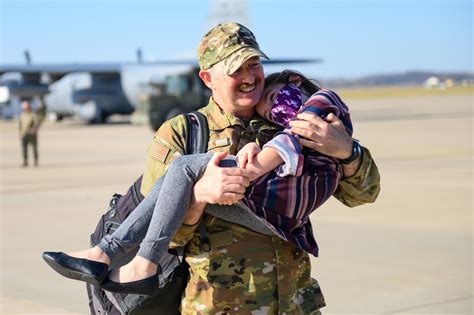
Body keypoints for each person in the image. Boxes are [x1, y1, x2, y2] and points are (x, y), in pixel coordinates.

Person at [44, 23, 380, 313]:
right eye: (236, 69)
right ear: (208, 78)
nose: (250, 77)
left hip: (293, 304)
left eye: (254, 64)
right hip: (218, 305)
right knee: (184, 176)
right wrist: (199, 199)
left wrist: (346, 151)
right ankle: (111, 256)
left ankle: (103, 253)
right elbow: (162, 234)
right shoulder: (181, 133)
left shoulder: (287, 119)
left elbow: (363, 195)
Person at [18, 100, 40, 167]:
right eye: (24, 108)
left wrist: (34, 130)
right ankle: (25, 162)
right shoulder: (22, 115)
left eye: (26, 107)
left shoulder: (33, 115)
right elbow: (20, 125)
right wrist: (20, 133)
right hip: (24, 134)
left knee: (34, 149)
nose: (25, 109)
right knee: (24, 149)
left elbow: (36, 124)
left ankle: (35, 161)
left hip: (32, 134)